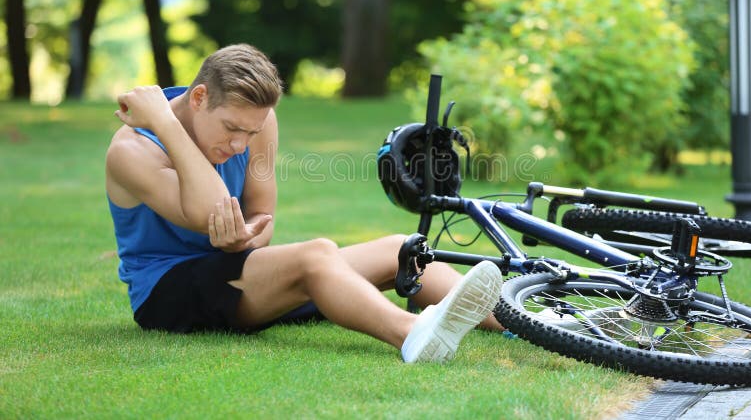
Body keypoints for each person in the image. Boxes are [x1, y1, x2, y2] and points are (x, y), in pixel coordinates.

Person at [105, 43, 502, 363]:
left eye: (251, 131)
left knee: (401, 251)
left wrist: (246, 239)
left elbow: (262, 217)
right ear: (198, 97)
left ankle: (521, 321)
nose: (241, 144)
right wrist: (166, 124)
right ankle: (412, 334)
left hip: (238, 271)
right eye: (231, 128)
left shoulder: (258, 123)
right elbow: (210, 213)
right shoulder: (133, 150)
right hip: (168, 292)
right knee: (315, 256)